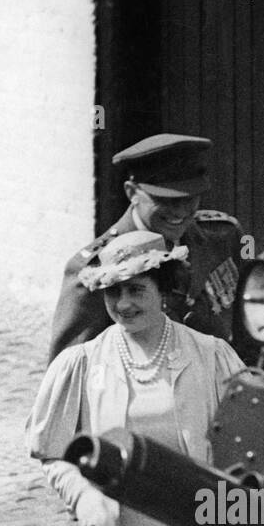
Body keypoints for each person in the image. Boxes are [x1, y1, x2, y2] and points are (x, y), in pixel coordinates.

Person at [28, 230, 245, 526]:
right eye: (113, 293)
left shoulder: (211, 357)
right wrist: (85, 499)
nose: (124, 304)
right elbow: (53, 453)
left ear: (163, 288)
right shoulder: (84, 363)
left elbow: (247, 450)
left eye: (136, 289)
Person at [47, 133, 245, 362]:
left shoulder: (222, 235)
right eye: (166, 200)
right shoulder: (94, 268)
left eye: (190, 198)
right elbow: (69, 370)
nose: (180, 212)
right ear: (132, 192)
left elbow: (247, 325)